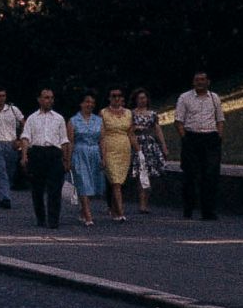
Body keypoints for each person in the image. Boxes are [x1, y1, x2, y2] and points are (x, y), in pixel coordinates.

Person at [173, 71, 226, 221]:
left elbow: (220, 119)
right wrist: (184, 138)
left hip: (210, 138)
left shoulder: (214, 98)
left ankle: (208, 210)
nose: (200, 82)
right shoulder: (184, 98)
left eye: (203, 80)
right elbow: (178, 120)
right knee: (190, 175)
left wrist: (219, 136)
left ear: (208, 82)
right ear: (193, 82)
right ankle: (188, 208)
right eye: (197, 80)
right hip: (192, 137)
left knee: (210, 175)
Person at [17, 89, 69, 229]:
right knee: (37, 189)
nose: (49, 100)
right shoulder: (32, 118)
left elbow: (64, 140)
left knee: (55, 189)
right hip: (38, 153)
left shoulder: (58, 118)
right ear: (39, 99)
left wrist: (66, 159)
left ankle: (53, 220)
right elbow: (26, 137)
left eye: (51, 98)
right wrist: (24, 156)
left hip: (54, 153)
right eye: (46, 98)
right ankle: (41, 217)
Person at [129, 88, 169, 215]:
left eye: (144, 98)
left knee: (150, 174)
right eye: (140, 98)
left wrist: (163, 146)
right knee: (141, 173)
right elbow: (128, 129)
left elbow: (157, 129)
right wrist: (136, 128)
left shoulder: (152, 114)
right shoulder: (131, 114)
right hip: (136, 143)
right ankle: (142, 204)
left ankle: (146, 202)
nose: (142, 100)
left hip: (150, 144)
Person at [68, 92, 105, 226]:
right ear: (81, 103)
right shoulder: (73, 120)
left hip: (94, 153)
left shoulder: (98, 120)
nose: (89, 105)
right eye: (87, 102)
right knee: (83, 182)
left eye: (92, 103)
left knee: (92, 184)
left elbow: (102, 140)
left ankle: (83, 210)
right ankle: (89, 216)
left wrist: (103, 157)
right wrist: (68, 158)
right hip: (80, 152)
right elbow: (70, 141)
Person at [99, 88, 134, 222]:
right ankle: (121, 211)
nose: (117, 98)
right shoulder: (103, 113)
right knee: (115, 181)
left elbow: (130, 133)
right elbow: (101, 135)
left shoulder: (128, 113)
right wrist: (102, 153)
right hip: (109, 147)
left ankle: (114, 210)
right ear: (109, 98)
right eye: (114, 96)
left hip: (124, 148)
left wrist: (138, 150)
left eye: (119, 96)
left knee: (120, 180)